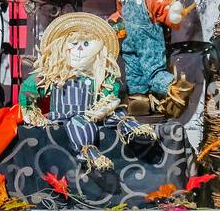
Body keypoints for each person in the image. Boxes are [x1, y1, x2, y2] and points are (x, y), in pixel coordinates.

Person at [19, 12, 158, 173]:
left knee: (117, 113)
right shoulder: (56, 76)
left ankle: (135, 132)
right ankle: (90, 153)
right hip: (68, 117)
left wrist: (105, 105)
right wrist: (29, 110)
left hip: (95, 114)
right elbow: (29, 88)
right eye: (74, 43)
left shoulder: (97, 77)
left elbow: (110, 91)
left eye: (86, 44)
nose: (79, 48)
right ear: (61, 46)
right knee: (78, 122)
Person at [104, 0, 195, 118]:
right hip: (129, 44)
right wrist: (112, 23)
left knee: (153, 72)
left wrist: (173, 13)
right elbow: (120, 14)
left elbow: (163, 9)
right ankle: (139, 101)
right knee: (134, 73)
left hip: (149, 43)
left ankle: (177, 88)